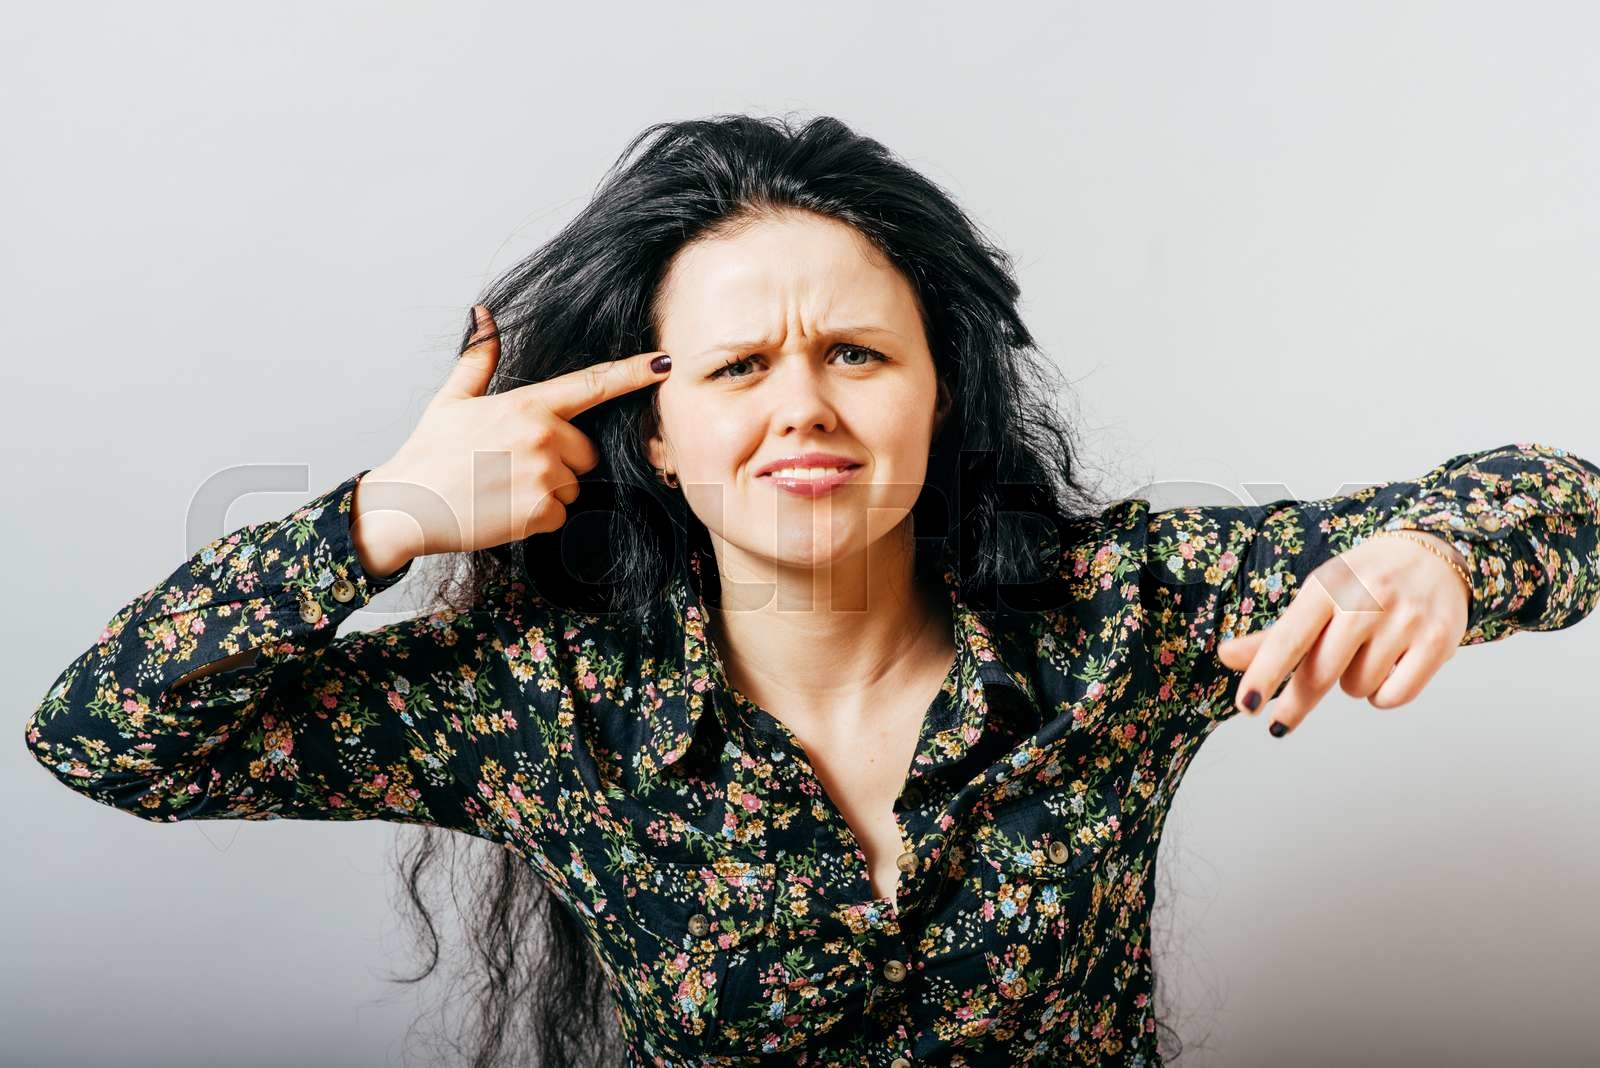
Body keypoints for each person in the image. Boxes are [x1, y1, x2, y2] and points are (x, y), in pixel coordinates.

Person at [24, 114, 1600, 1068]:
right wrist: (384, 517)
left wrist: (1436, 553)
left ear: (943, 392)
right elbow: (107, 739)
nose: (804, 410)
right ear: (651, 428)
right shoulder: (548, 709)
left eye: (857, 352)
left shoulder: (1115, 612)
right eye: (736, 365)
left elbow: (1565, 503)